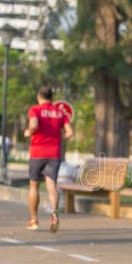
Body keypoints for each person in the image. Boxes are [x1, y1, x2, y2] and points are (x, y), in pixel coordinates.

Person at [24, 87, 74, 233]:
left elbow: (34, 124)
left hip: (37, 152)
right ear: (51, 97)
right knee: (51, 185)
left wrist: (29, 132)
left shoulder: (35, 109)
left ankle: (34, 220)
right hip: (54, 152)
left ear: (39, 96)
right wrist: (59, 139)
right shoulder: (60, 112)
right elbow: (70, 132)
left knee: (34, 185)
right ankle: (54, 213)